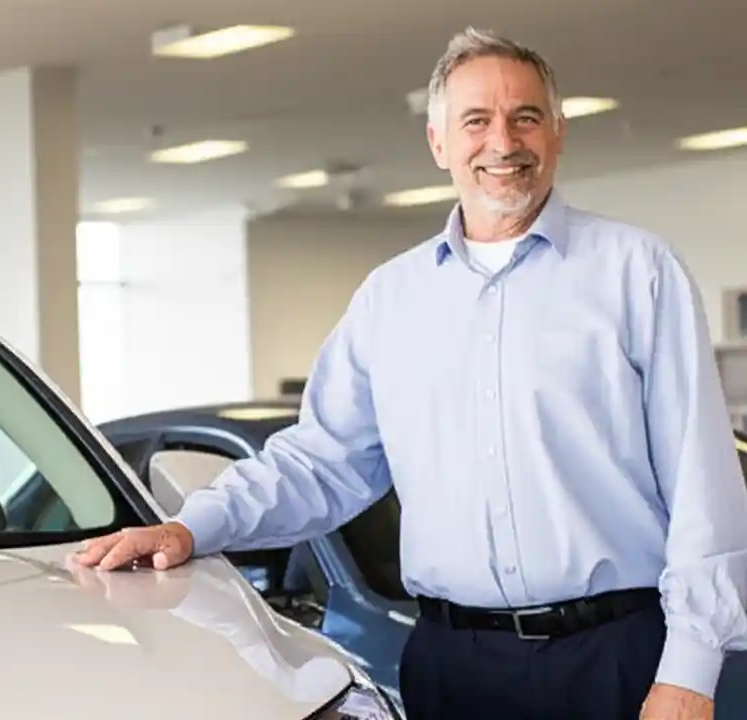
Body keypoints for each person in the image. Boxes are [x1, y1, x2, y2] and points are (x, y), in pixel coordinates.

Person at [76, 26, 747, 720]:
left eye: (526, 117)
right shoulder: (390, 300)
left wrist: (691, 670)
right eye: (476, 121)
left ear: (557, 132)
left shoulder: (636, 273)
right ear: (438, 144)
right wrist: (192, 528)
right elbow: (322, 461)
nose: (504, 142)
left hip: (613, 660)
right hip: (451, 668)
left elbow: (704, 484)